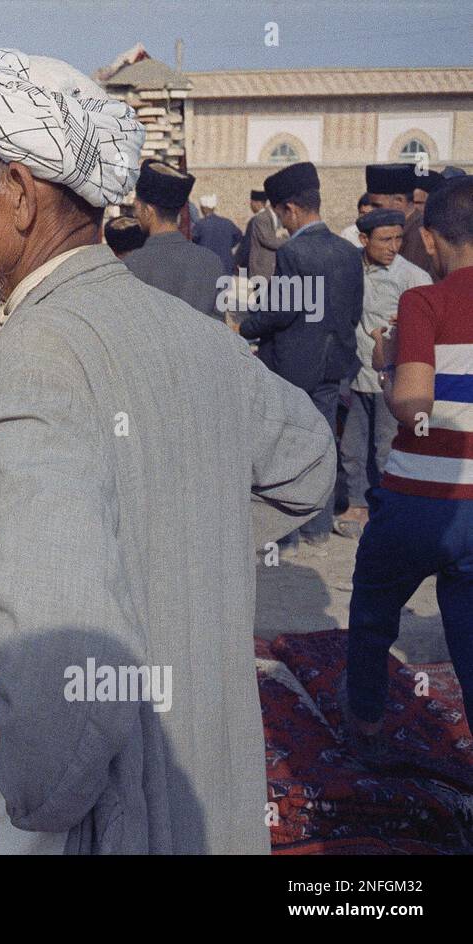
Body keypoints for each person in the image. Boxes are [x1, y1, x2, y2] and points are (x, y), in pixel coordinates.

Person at [0, 48, 334, 854]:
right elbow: (310, 466)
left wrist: (26, 765)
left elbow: (65, 650)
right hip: (201, 792)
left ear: (21, 193)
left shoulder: (36, 358)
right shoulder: (190, 336)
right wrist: (173, 536)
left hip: (102, 816)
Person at [346, 176, 473, 757]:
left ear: (428, 236)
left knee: (373, 616)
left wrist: (388, 362)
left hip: (418, 501)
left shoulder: (424, 300)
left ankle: (366, 729)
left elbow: (411, 406)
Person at [238, 161, 363, 555]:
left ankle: (287, 532)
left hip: (292, 367)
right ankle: (318, 528)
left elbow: (280, 310)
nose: (281, 225)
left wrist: (244, 326)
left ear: (291, 209)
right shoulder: (347, 252)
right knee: (324, 443)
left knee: (287, 448)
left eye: (280, 216)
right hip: (332, 365)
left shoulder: (294, 252)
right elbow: (353, 311)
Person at [334, 209, 431, 538]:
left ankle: (391, 511)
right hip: (356, 374)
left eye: (398, 239)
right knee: (351, 447)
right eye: (385, 240)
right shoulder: (351, 270)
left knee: (386, 448)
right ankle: (357, 505)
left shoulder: (414, 278)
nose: (393, 246)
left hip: (391, 378)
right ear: (363, 240)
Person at [123, 160, 227, 318]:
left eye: (137, 207)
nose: (135, 214)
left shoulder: (131, 266)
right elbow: (219, 329)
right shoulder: (212, 263)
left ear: (148, 211)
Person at [366, 162, 436, 278]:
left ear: (398, 201)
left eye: (377, 206)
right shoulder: (407, 228)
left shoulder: (421, 235)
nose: (371, 212)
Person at [235, 188, 286, 282]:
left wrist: (238, 261)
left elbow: (247, 244)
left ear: (256, 203)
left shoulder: (262, 219)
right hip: (266, 268)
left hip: (265, 268)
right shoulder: (266, 218)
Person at [191, 193, 242, 275]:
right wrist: (228, 245)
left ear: (203, 209)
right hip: (225, 266)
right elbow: (239, 236)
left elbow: (193, 240)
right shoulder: (227, 222)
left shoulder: (200, 224)